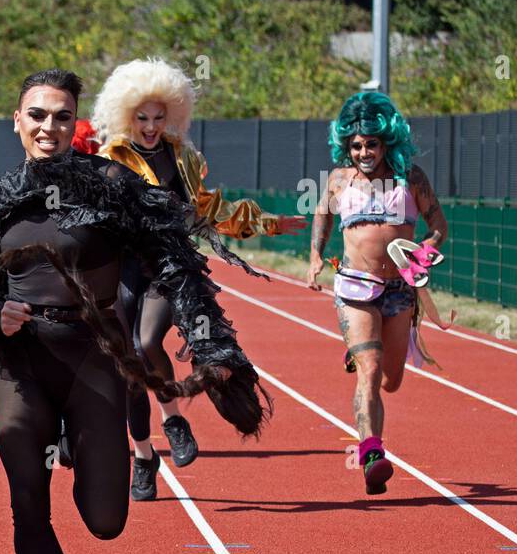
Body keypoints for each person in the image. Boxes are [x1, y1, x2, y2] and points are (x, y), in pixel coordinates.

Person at [0, 68, 270, 554]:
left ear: (79, 125)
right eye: (37, 115)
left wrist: (212, 343)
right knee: (27, 505)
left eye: (61, 116)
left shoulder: (114, 188)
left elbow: (178, 266)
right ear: (16, 122)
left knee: (105, 520)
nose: (48, 127)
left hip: (95, 358)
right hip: (21, 365)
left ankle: (80, 444)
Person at [90, 58, 305, 499]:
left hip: (170, 267)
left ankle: (172, 419)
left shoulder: (183, 156)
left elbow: (213, 211)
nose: (151, 126)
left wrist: (268, 223)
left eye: (159, 117)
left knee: (145, 343)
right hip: (123, 268)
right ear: (125, 116)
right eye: (142, 118)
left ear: (174, 114)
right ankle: (144, 456)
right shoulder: (109, 158)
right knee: (126, 368)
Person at [307, 91, 449, 494]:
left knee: (392, 380)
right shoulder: (338, 180)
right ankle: (372, 454)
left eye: (371, 143)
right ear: (345, 146)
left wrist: (426, 250)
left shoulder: (411, 178)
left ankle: (365, 351)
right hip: (354, 286)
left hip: (400, 290)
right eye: (355, 145)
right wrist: (316, 255)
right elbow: (322, 214)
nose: (363, 152)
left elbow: (438, 222)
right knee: (369, 371)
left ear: (386, 141)